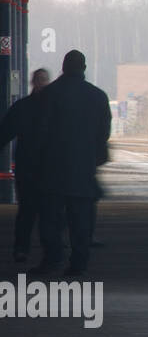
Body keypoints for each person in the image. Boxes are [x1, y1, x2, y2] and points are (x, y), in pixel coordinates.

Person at [32, 50, 111, 278]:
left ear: (64, 67)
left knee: (50, 219)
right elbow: (103, 133)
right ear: (83, 68)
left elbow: (41, 131)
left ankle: (53, 258)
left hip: (52, 169)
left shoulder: (50, 94)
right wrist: (94, 157)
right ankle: (79, 263)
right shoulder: (98, 96)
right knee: (81, 220)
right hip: (83, 168)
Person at [0, 68, 50, 263]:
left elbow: (5, 133)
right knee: (45, 211)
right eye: (41, 80)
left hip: (28, 166)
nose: (42, 84)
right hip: (46, 168)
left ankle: (22, 248)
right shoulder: (54, 108)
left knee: (27, 211)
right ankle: (49, 250)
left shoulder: (22, 107)